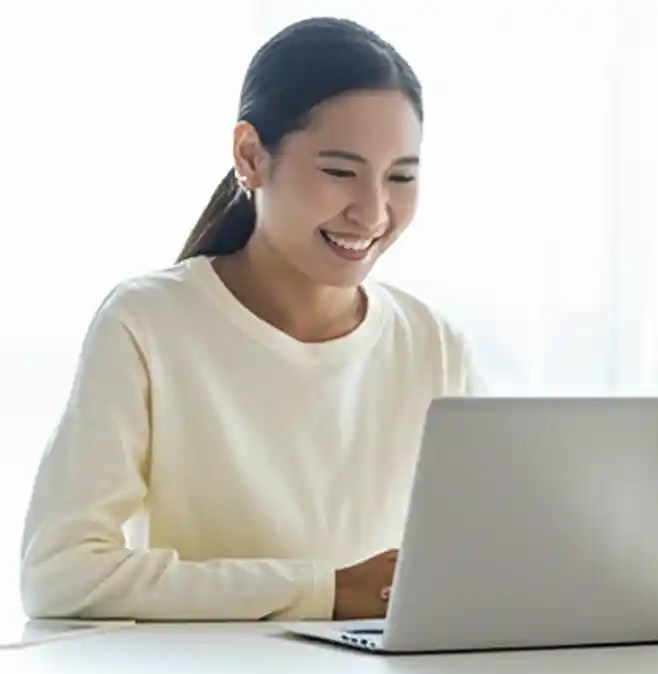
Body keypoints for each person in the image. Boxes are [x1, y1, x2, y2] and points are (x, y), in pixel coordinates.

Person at [19, 17, 480, 622]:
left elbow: (480, 565)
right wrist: (327, 591)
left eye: (401, 177)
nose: (372, 211)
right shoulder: (148, 325)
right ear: (250, 156)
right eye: (340, 171)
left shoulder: (434, 346)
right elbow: (61, 575)